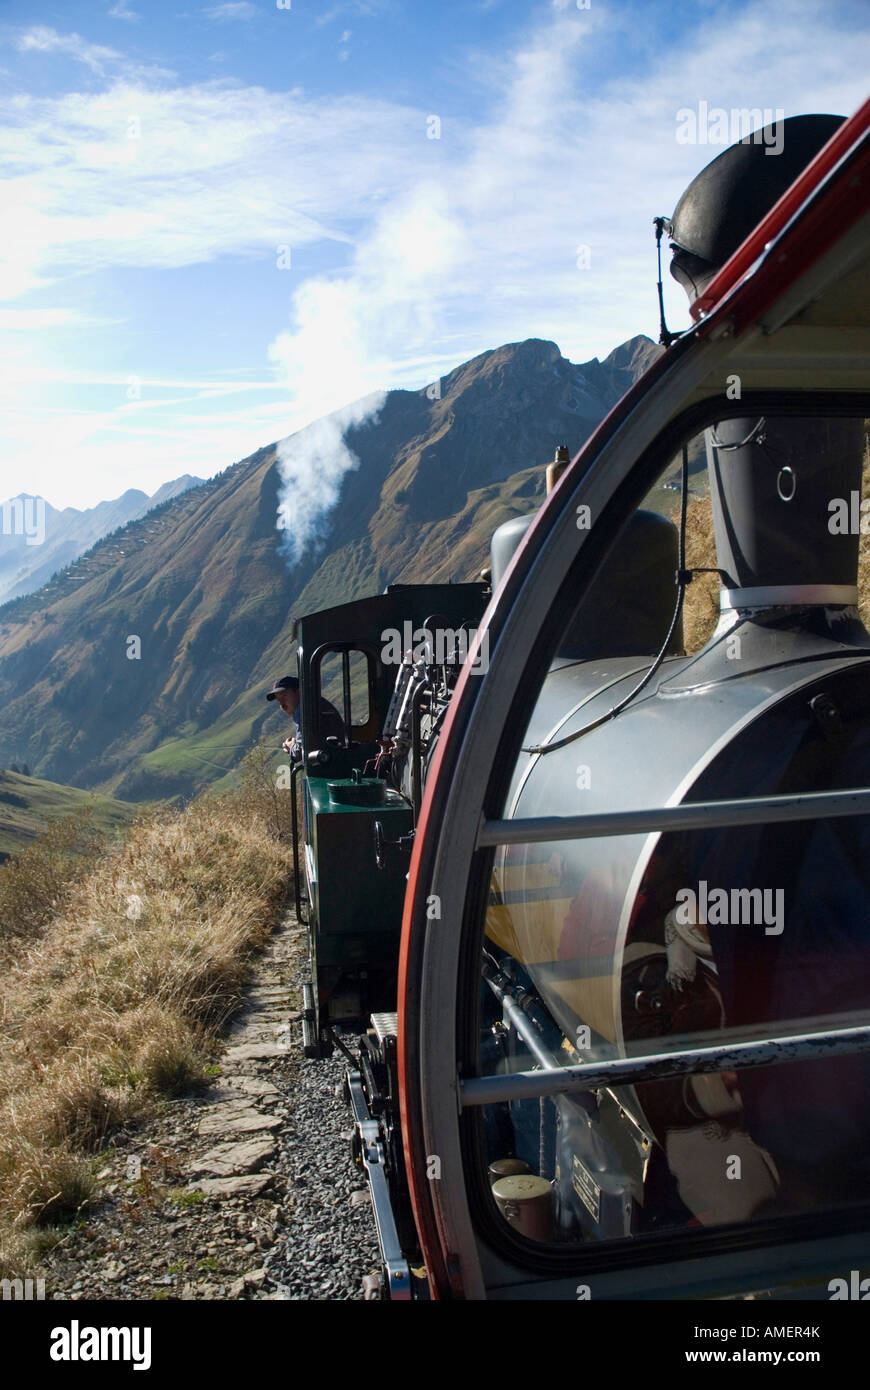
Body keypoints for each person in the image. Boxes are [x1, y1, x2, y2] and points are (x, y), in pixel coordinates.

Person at [266, 675, 345, 754]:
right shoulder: (316, 703)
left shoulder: (304, 709)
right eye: (278, 699)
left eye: (284, 695)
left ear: (298, 691)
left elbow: (301, 752)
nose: (281, 702)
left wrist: (291, 747)